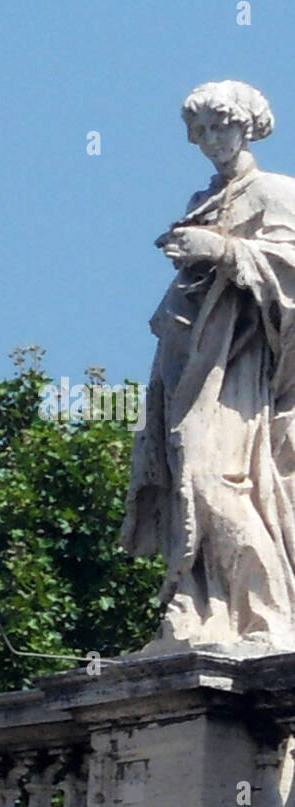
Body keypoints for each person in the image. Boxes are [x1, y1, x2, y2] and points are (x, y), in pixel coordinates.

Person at [123, 81, 295, 655]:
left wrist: (221, 251)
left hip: (247, 372)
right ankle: (200, 609)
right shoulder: (204, 198)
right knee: (183, 478)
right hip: (191, 362)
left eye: (219, 127)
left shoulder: (275, 194)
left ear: (248, 126)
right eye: (199, 132)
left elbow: (289, 275)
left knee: (210, 473)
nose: (209, 141)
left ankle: (263, 614)